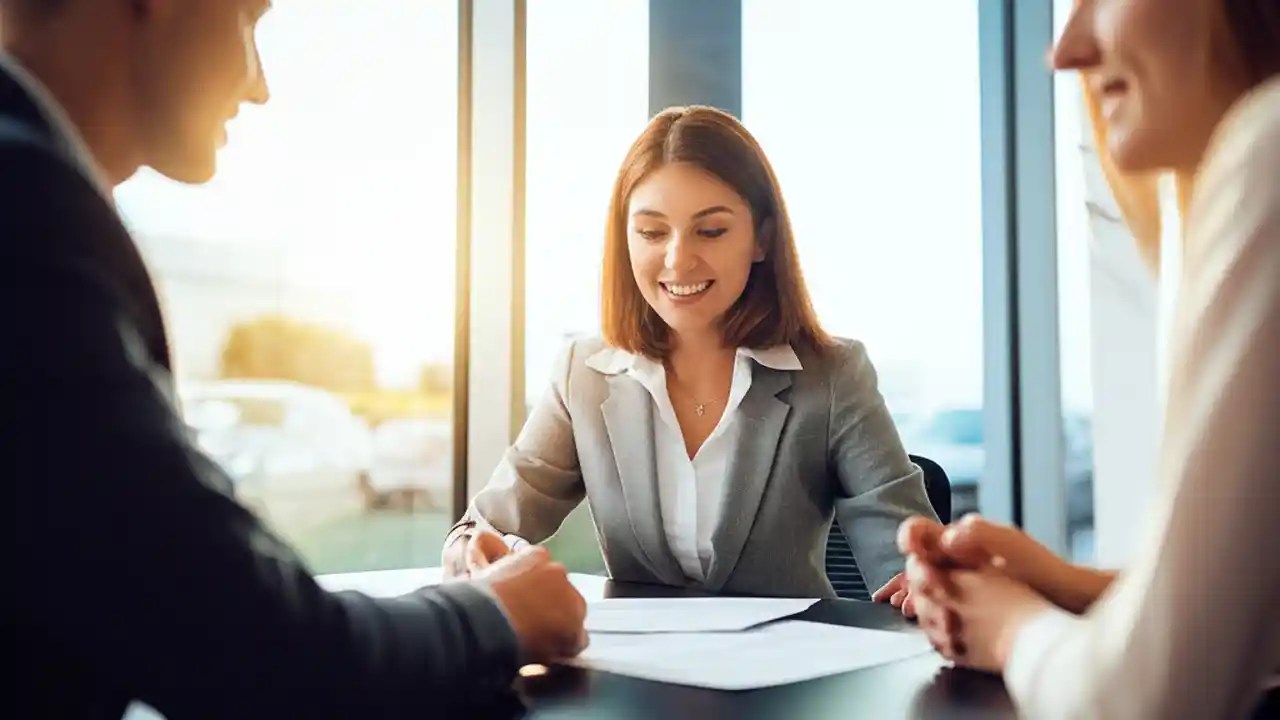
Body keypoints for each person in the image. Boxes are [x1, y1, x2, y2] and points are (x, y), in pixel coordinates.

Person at [2, 1, 586, 717]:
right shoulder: (26, 214)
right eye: (248, 20)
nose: (259, 84)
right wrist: (491, 614)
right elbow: (246, 643)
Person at [899, 0, 1280, 717]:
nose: (1065, 50)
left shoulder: (1269, 148)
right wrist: (1066, 586)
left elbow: (1146, 700)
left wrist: (1009, 627)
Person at [442, 105, 939, 603]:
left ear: (762, 238)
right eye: (653, 232)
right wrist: (474, 551)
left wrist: (925, 582)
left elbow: (910, 555)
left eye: (711, 231)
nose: (678, 259)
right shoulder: (583, 375)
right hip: (639, 671)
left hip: (787, 669)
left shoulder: (832, 375)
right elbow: (482, 526)